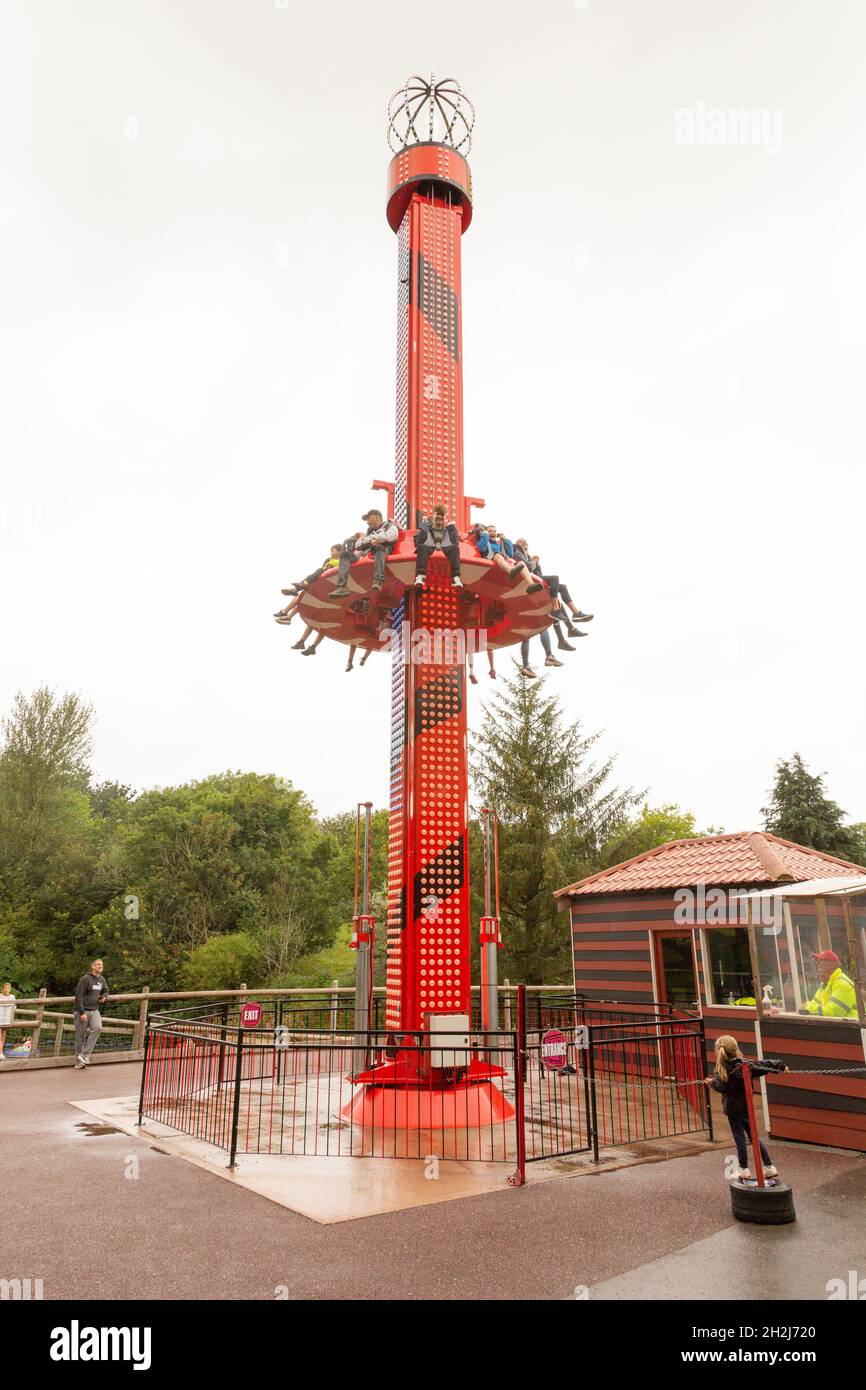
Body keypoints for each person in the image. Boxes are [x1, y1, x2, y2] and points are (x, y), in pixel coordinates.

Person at [704, 1035, 787, 1180]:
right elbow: (763, 1065)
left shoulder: (721, 1070)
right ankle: (769, 1166)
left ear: (718, 1051)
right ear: (736, 1049)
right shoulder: (745, 1065)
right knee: (754, 1137)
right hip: (747, 1107)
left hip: (733, 1110)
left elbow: (721, 1087)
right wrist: (780, 1066)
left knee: (740, 1139)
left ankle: (744, 1169)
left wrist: (711, 1083)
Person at [331, 510, 399, 597]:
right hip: (364, 555)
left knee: (378, 547)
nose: (367, 522)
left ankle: (378, 580)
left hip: (382, 552)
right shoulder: (369, 531)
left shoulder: (389, 525)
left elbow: (393, 536)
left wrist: (375, 540)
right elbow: (358, 544)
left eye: (368, 519)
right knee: (345, 554)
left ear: (376, 517)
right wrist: (372, 539)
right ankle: (341, 587)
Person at [275, 545, 341, 622]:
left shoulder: (342, 560)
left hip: (331, 584)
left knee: (319, 570)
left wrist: (330, 566)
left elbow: (335, 569)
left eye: (333, 551)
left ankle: (298, 587)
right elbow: (322, 572)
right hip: (321, 584)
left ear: (339, 551)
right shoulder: (328, 560)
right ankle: (287, 615)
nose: (331, 552)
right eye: (331, 551)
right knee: (302, 598)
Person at [473, 526, 542, 592]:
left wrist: (505, 539)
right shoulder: (484, 540)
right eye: (489, 531)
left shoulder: (500, 544)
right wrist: (485, 536)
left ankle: (531, 585)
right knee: (498, 555)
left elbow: (510, 554)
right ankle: (510, 571)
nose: (492, 532)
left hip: (504, 564)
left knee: (522, 563)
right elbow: (481, 548)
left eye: (494, 531)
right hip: (490, 562)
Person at [799, 950, 859, 1019]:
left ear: (832, 966)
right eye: (817, 964)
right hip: (839, 1027)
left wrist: (807, 1008)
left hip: (857, 1027)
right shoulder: (826, 984)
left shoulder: (842, 984)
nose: (818, 967)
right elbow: (814, 1003)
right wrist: (807, 1007)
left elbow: (833, 1012)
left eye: (820, 963)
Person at [414, 505, 462, 587]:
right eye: (437, 515)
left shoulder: (448, 529)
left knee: (455, 548)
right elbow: (419, 541)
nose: (439, 518)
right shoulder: (427, 528)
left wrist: (452, 527)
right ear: (433, 515)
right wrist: (424, 526)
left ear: (445, 517)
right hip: (430, 545)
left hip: (444, 546)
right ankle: (420, 576)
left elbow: (455, 542)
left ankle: (456, 578)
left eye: (441, 516)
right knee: (422, 547)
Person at [73, 958, 108, 1069]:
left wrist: (104, 997)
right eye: (98, 964)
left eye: (101, 965)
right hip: (82, 1011)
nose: (100, 966)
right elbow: (78, 996)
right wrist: (82, 1012)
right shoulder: (85, 979)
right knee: (80, 1036)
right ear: (93, 966)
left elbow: (105, 990)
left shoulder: (102, 979)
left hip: (95, 1010)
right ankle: (79, 1062)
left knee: (98, 1028)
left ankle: (85, 1055)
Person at [0, 982, 15, 1059]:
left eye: (8, 988)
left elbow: (14, 1006)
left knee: (3, 1036)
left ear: (10, 989)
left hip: (7, 1019)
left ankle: (1, 1051)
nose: (6, 990)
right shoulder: (0, 996)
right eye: (5, 988)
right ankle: (1, 1052)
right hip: (0, 1017)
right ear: (2, 989)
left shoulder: (12, 997)